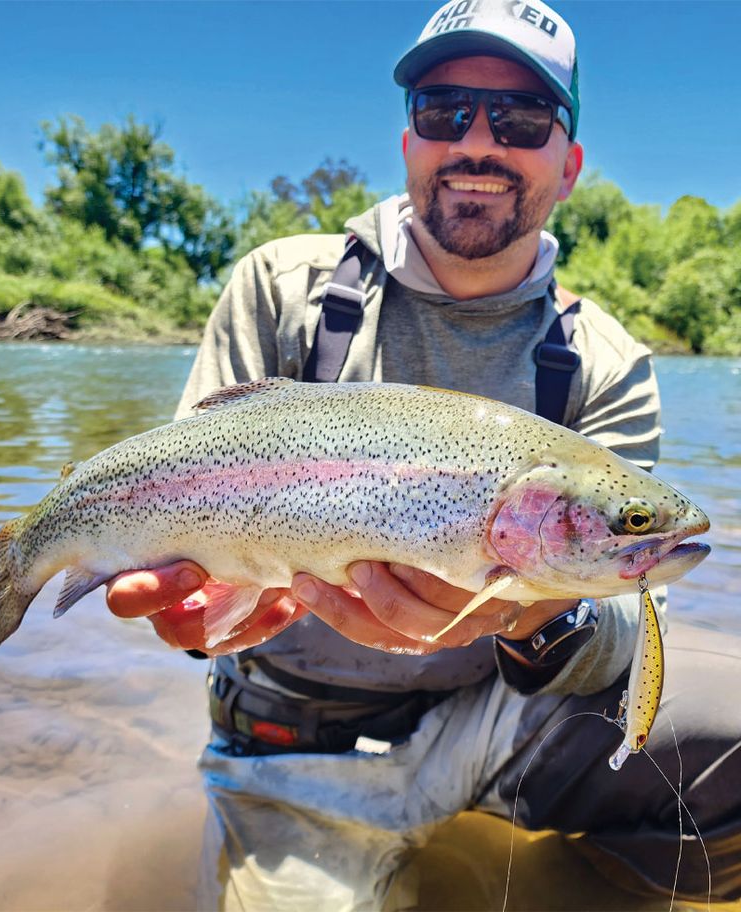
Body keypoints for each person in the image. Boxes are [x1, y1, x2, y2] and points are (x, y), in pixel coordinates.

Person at [106, 1, 741, 909]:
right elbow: (178, 507)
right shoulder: (283, 290)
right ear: (409, 142)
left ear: (568, 166)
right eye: (446, 111)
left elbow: (631, 635)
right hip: (296, 743)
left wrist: (521, 617)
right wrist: (191, 605)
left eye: (521, 119)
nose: (477, 141)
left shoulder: (607, 360)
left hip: (505, 722)